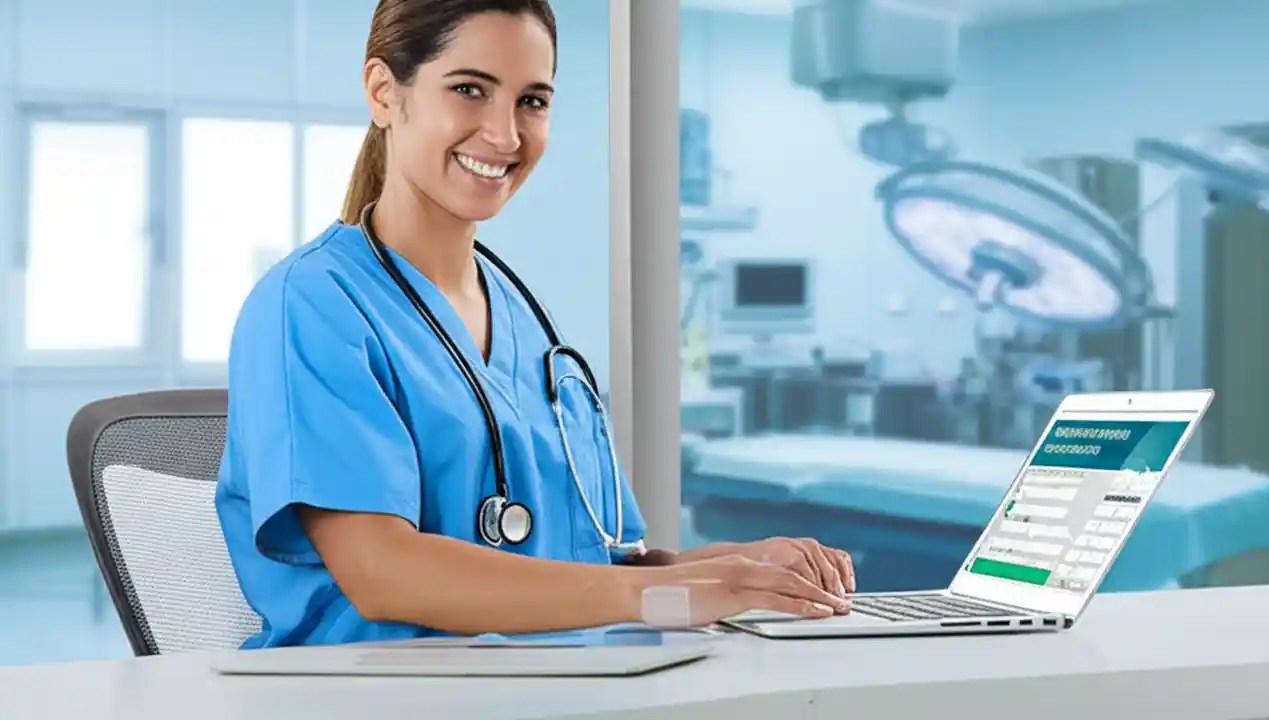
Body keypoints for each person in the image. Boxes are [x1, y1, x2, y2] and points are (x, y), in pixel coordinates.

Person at [214, 0, 855, 649]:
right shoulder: (312, 303)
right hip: (381, 698)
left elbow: (592, 568)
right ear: (385, 93)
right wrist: (661, 594)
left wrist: (735, 571)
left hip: (556, 687)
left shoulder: (528, 324)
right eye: (470, 90)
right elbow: (384, 574)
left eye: (532, 101)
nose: (505, 135)